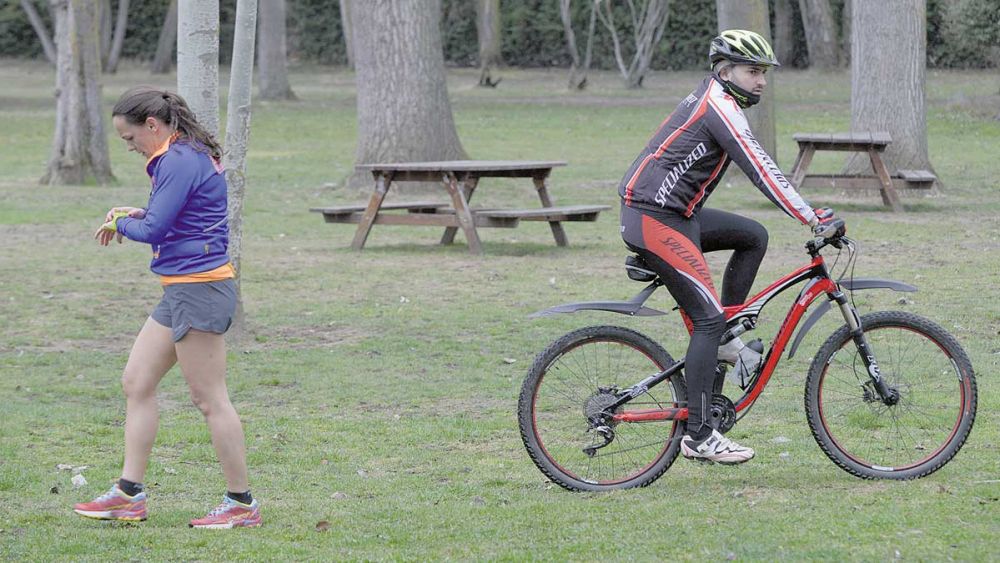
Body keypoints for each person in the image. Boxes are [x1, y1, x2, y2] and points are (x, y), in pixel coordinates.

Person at [617, 30, 842, 464]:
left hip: (672, 214)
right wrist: (813, 217)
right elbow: (761, 169)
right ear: (725, 71)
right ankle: (700, 437)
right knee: (707, 320)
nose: (762, 81)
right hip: (654, 218)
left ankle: (727, 335)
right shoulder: (719, 106)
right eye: (753, 71)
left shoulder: (720, 99)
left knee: (753, 236)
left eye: (764, 73)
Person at [73, 87, 261, 528]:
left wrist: (123, 222)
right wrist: (138, 214)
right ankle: (128, 494)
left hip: (200, 289)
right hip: (180, 290)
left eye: (130, 137)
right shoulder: (181, 155)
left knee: (209, 398)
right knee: (137, 381)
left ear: (152, 125)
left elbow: (156, 230)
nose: (130, 146)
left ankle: (241, 504)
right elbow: (179, 216)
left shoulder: (178, 159)